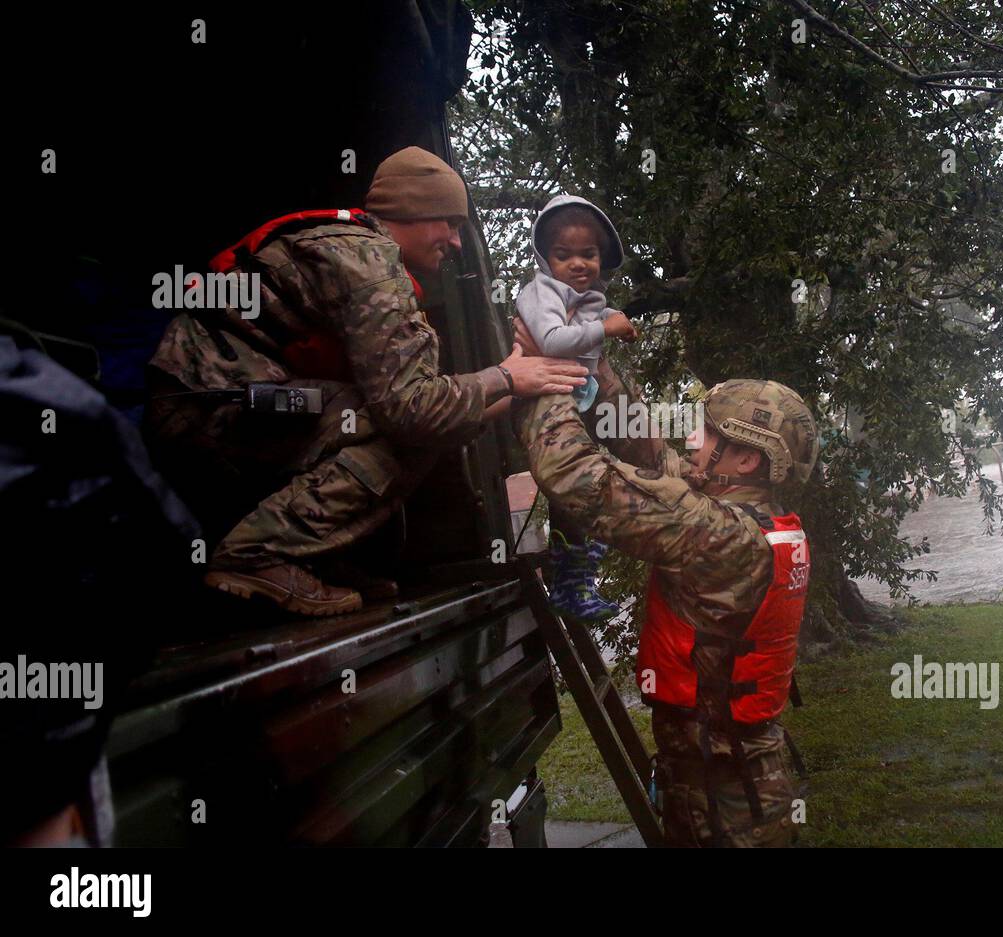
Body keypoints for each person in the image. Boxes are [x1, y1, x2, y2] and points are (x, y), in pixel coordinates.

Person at [146, 146, 587, 616]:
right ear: (415, 212)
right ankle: (261, 554)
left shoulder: (357, 249)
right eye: (450, 223)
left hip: (213, 401)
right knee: (404, 431)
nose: (457, 243)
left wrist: (516, 385)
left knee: (407, 418)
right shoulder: (372, 265)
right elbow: (413, 411)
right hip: (207, 406)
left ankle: (314, 557)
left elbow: (432, 400)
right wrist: (505, 376)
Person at [511, 318, 819, 847]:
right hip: (727, 778)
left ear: (745, 459)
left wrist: (545, 377)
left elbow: (572, 473)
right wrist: (593, 364)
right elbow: (651, 455)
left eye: (708, 435)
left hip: (726, 802)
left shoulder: (719, 534)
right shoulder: (753, 520)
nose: (692, 441)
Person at [514, 195, 638, 621]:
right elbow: (550, 340)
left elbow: (596, 323)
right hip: (544, 400)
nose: (578, 264)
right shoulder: (541, 292)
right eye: (563, 255)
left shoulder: (585, 297)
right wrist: (606, 327)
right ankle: (571, 577)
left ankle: (580, 564)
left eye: (589, 254)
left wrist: (611, 320)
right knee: (572, 484)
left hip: (577, 396)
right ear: (546, 259)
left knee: (594, 474)